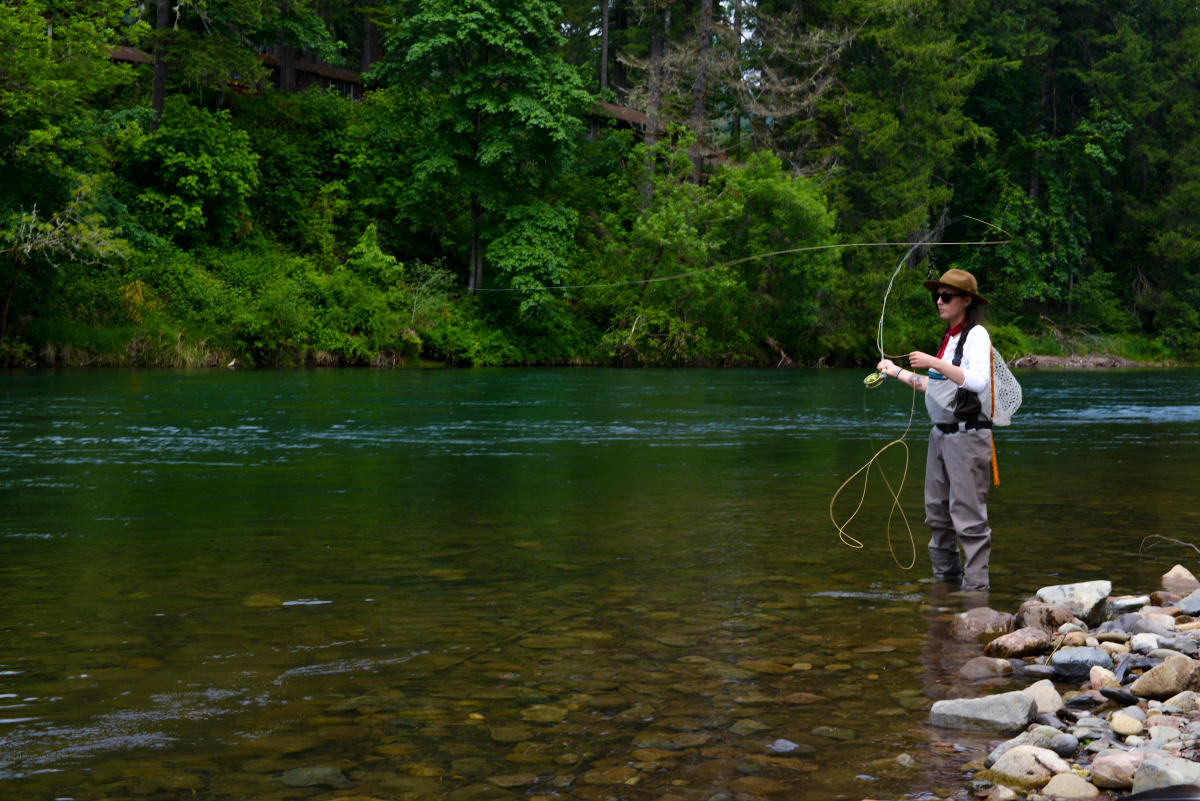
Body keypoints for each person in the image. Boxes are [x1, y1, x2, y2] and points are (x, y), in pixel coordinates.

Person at [876, 268, 993, 592]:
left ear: (967, 300)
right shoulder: (950, 339)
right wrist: (895, 370)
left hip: (968, 438)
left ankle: (975, 598)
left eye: (946, 296)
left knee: (969, 521)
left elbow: (977, 381)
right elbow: (935, 387)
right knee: (937, 517)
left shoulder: (976, 336)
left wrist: (934, 361)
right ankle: (944, 592)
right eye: (936, 296)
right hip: (940, 437)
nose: (939, 302)